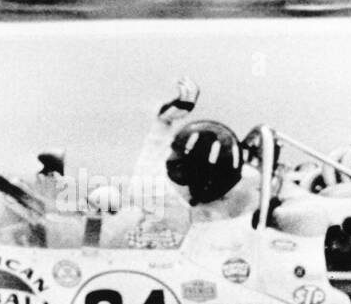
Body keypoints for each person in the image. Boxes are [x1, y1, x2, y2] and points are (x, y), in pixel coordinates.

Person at [93, 78, 259, 247]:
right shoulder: (155, 191)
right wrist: (163, 120)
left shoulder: (245, 202)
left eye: (181, 166)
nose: (172, 167)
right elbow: (153, 151)